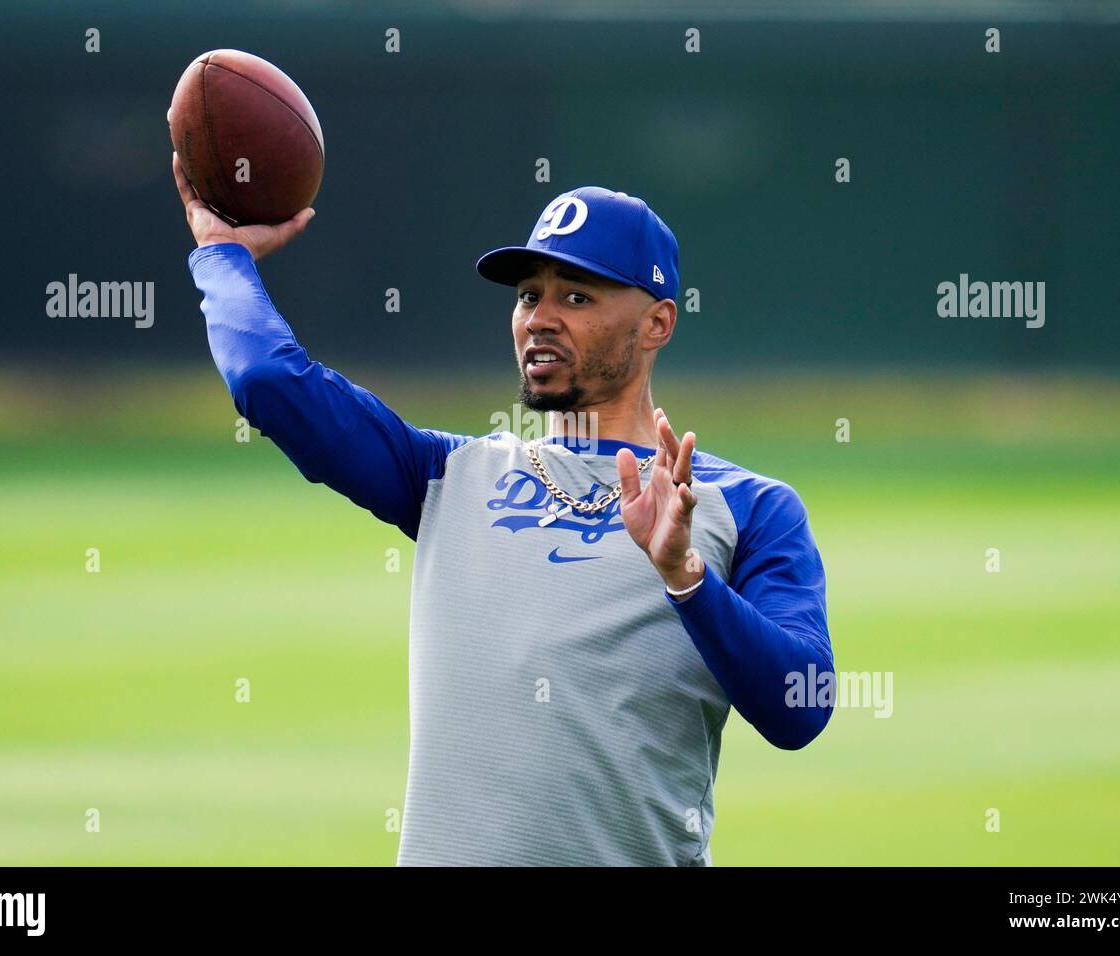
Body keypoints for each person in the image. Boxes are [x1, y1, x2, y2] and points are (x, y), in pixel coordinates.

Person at [175, 155, 834, 866]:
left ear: (657, 323)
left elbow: (800, 708)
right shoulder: (444, 474)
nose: (539, 319)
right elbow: (269, 380)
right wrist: (221, 256)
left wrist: (686, 576)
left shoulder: (745, 507)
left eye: (576, 298)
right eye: (527, 295)